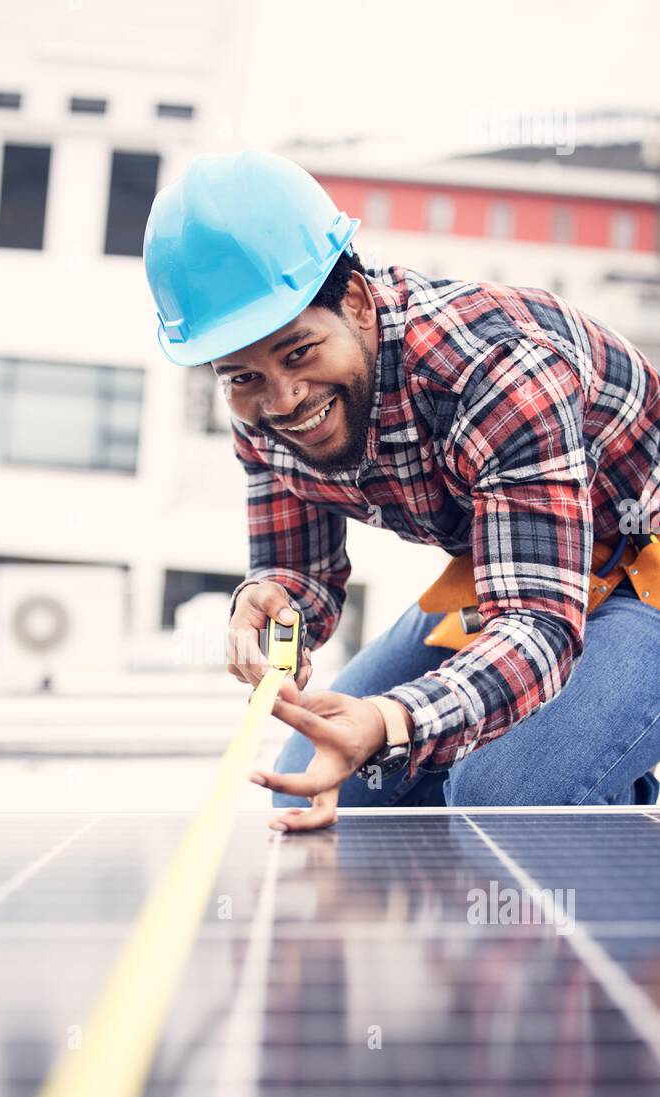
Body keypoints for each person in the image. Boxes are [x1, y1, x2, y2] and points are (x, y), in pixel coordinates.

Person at [143, 150, 660, 830]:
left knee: (508, 796)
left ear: (354, 301)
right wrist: (274, 604)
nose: (285, 399)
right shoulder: (260, 412)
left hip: (642, 567)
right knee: (311, 783)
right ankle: (452, 915)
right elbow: (298, 573)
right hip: (518, 569)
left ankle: (607, 895)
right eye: (241, 375)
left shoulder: (494, 369)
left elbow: (536, 627)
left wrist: (391, 720)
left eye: (299, 353)